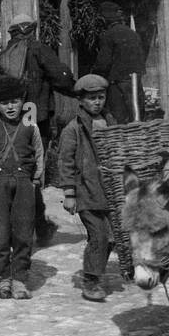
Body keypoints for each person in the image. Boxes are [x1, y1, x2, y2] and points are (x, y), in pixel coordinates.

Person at [0, 13, 75, 246]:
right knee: (30, 173)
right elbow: (61, 77)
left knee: (18, 170)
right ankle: (30, 228)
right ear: (31, 29)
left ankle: (39, 226)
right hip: (35, 121)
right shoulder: (38, 49)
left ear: (12, 32)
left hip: (8, 124)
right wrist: (77, 90)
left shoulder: (2, 57)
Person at [0, 74, 45, 300]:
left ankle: (20, 280)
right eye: (5, 103)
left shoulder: (30, 125)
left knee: (24, 234)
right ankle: (4, 278)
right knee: (0, 234)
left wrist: (35, 184)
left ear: (22, 101)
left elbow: (40, 157)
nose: (11, 107)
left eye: (15, 101)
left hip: (25, 185)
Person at [58, 74, 118, 302]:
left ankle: (97, 272)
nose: (97, 102)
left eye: (101, 97)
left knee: (112, 238)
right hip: (86, 192)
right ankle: (91, 281)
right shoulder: (74, 129)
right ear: (81, 101)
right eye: (91, 98)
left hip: (109, 191)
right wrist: (69, 193)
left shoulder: (110, 122)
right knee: (99, 236)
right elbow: (66, 162)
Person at [92, 5, 145, 123]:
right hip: (135, 82)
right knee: (137, 117)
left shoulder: (109, 35)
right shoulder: (133, 34)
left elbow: (103, 64)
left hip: (118, 84)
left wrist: (93, 76)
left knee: (120, 119)